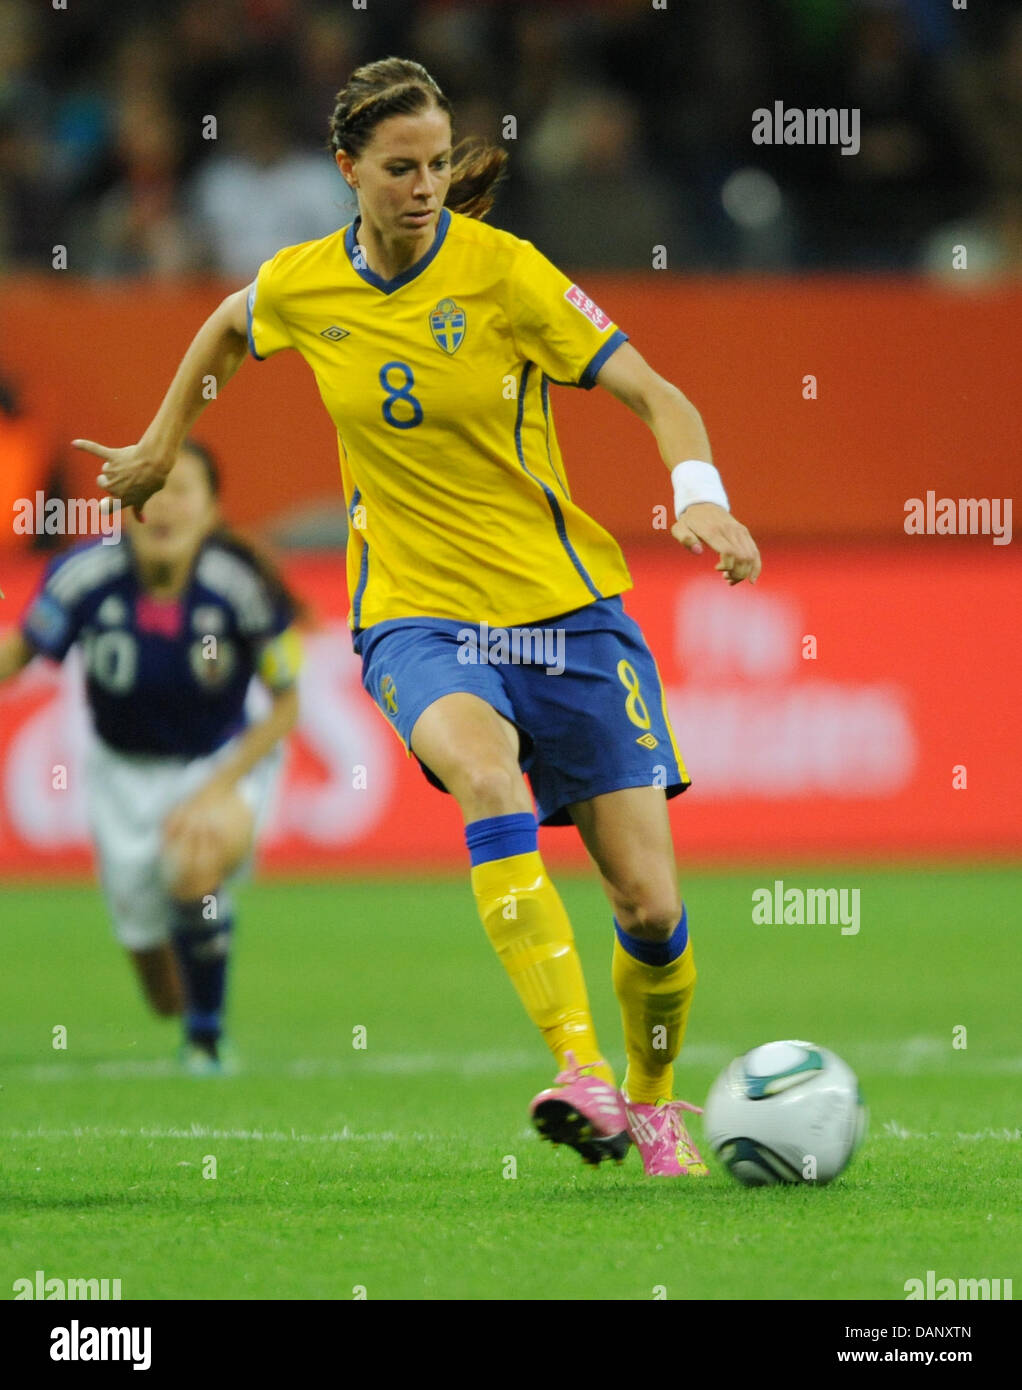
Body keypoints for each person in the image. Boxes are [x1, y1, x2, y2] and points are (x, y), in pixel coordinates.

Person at [71, 58, 761, 1171]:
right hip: (416, 614)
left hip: (568, 613)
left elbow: (658, 396)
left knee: (647, 906)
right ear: (346, 170)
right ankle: (577, 1069)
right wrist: (158, 447)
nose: (425, 185)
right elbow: (227, 327)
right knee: (485, 780)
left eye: (438, 163)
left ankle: (650, 1096)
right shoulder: (306, 283)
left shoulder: (507, 275)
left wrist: (701, 500)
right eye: (399, 168)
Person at [0, 440, 303, 1074]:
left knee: (195, 859)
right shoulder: (86, 575)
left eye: (183, 490)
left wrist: (216, 790)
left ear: (212, 510)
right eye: (155, 490)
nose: (165, 507)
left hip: (216, 763)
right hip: (120, 776)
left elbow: (284, 706)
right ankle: (188, 1005)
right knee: (163, 991)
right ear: (130, 502)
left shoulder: (239, 586)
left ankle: (207, 1040)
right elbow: (19, 657)